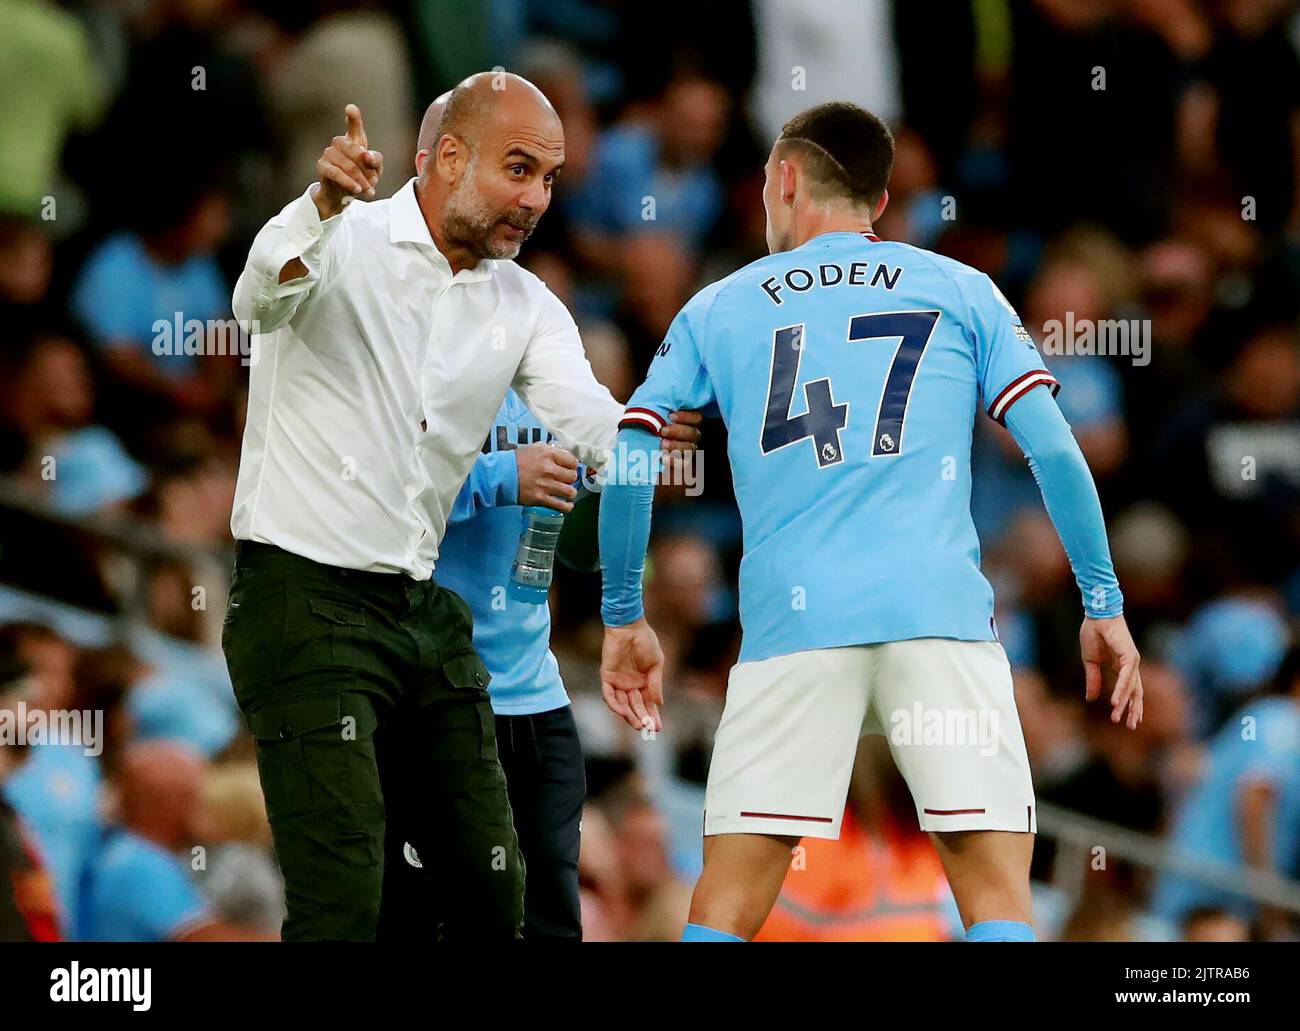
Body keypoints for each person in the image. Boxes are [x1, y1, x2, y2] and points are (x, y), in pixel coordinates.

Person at [596, 101, 1144, 942]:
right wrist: (1101, 601)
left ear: (784, 180)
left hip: (793, 630)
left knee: (728, 906)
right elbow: (1058, 453)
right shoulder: (962, 289)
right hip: (939, 621)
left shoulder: (721, 306)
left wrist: (624, 614)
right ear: (881, 202)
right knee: (996, 896)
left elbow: (633, 454)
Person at [224, 72, 694, 941]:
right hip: (302, 599)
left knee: (492, 893)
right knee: (346, 902)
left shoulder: (523, 303)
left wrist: (647, 430)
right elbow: (257, 302)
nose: (536, 198)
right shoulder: (344, 235)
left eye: (550, 179)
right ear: (447, 155)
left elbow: (591, 421)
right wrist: (315, 208)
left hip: (417, 611)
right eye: (519, 169)